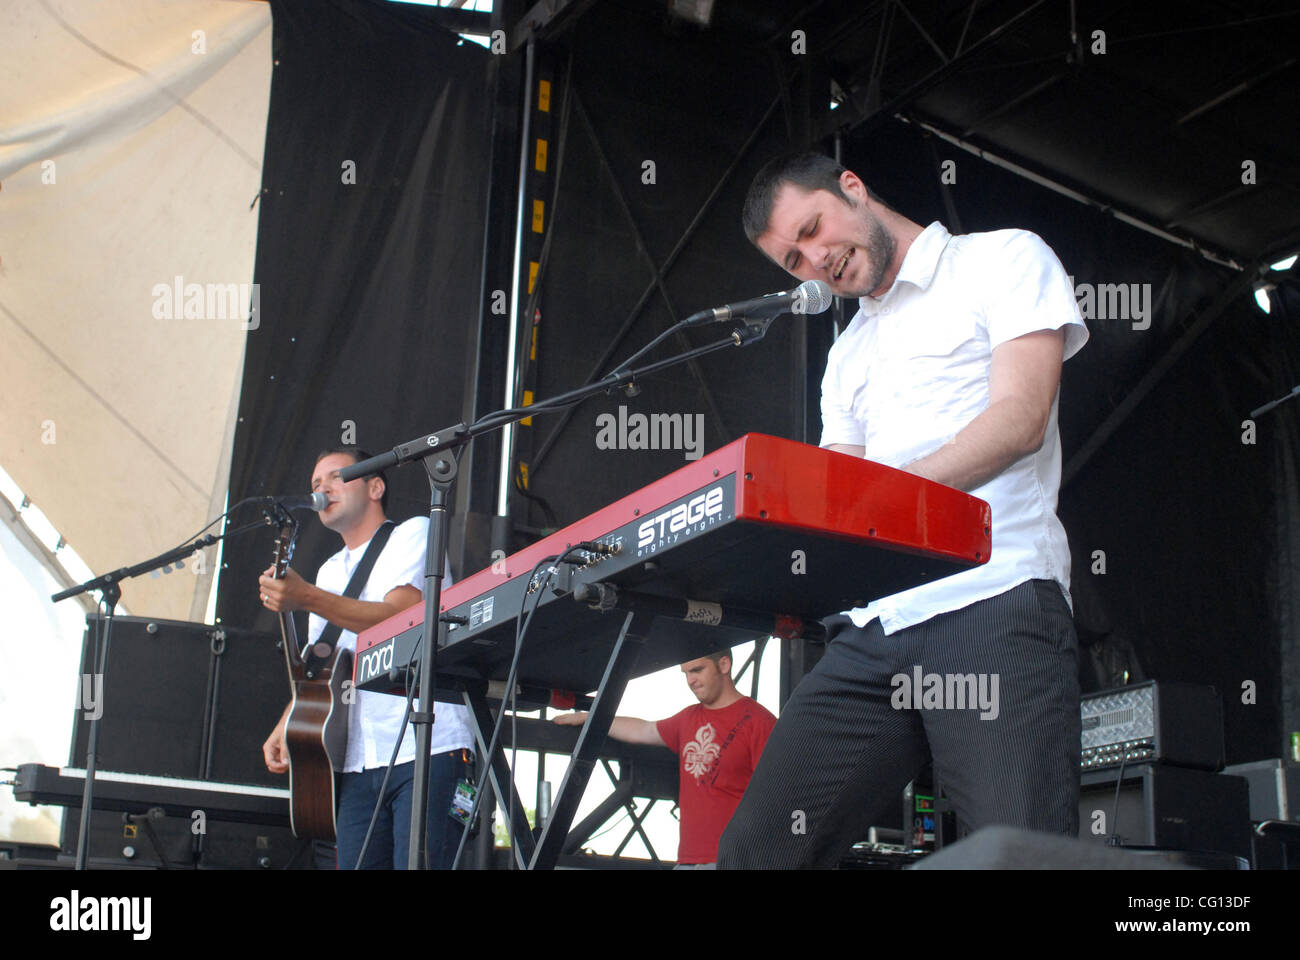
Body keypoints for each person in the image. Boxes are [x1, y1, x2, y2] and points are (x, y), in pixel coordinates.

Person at [718, 152, 1089, 868]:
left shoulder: (1002, 258)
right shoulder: (847, 354)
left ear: (853, 187)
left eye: (815, 229)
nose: (817, 259)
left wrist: (893, 498)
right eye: (794, 258)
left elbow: (1019, 419)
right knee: (756, 852)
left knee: (1018, 859)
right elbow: (839, 493)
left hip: (995, 598)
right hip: (877, 629)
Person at [260, 447, 474, 869]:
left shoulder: (414, 533)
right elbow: (325, 666)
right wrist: (287, 722)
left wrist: (306, 598)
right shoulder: (327, 572)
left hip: (428, 747)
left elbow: (401, 618)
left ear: (375, 486)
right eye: (315, 485)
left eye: (337, 477)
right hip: (358, 758)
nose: (323, 488)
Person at [554, 650, 776, 868]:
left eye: (697, 670)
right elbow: (644, 730)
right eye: (686, 673)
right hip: (687, 861)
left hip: (736, 860)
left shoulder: (759, 721)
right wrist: (591, 719)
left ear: (724, 665)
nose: (690, 680)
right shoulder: (688, 718)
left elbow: (778, 796)